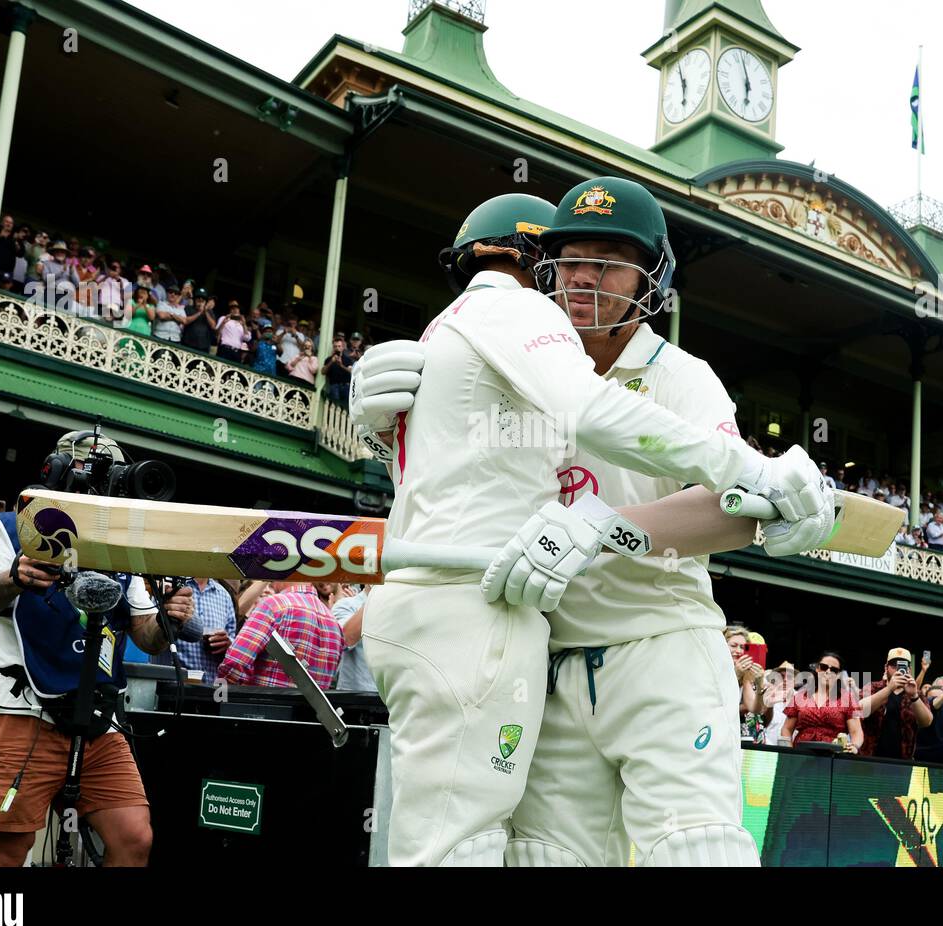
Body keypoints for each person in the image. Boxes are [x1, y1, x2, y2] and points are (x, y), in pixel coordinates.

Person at [349, 187, 832, 867]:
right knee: (546, 860)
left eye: (609, 261)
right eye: (571, 258)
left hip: (660, 647)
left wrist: (606, 527)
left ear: (650, 277)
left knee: (695, 851)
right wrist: (385, 426)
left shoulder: (681, 377)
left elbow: (733, 518)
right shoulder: (522, 361)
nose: (584, 276)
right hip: (548, 665)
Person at [0, 430, 193, 866]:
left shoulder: (122, 546)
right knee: (8, 850)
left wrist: (169, 619)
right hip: (20, 709)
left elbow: (144, 634)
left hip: (98, 718)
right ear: (58, 471)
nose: (100, 485)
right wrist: (14, 578)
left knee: (134, 837)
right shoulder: (8, 527)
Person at [218, 584, 343, 689]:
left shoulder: (274, 605)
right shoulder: (335, 624)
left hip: (261, 709)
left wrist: (221, 695)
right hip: (308, 715)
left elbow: (235, 662)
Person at [150, 577, 235, 685]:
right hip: (173, 685)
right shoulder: (169, 586)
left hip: (211, 687)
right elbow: (153, 629)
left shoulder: (224, 595)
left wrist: (227, 645)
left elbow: (233, 640)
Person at [780, 651, 863, 751]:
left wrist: (854, 746)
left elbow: (856, 732)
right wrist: (789, 752)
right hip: (801, 756)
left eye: (834, 670)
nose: (828, 671)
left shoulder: (847, 699)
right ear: (817, 669)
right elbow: (786, 729)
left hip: (833, 757)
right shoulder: (800, 696)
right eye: (824, 667)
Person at [859, 648, 932, 759]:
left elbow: (927, 722)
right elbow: (859, 710)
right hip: (870, 758)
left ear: (909, 669)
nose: (898, 670)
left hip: (903, 762)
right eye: (894, 665)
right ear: (886, 668)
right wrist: (889, 689)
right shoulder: (873, 687)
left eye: (902, 666)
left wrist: (914, 697)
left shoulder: (916, 692)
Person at [331, 586, 376, 693]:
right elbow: (345, 640)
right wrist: (375, 598)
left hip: (394, 697)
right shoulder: (346, 605)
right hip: (357, 695)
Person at [181, 290, 218, 354]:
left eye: (203, 299)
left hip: (203, 347)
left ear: (205, 301)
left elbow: (213, 326)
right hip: (187, 344)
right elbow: (186, 321)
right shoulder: (189, 308)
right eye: (198, 298)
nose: (200, 300)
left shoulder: (209, 312)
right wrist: (200, 312)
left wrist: (205, 311)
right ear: (195, 300)